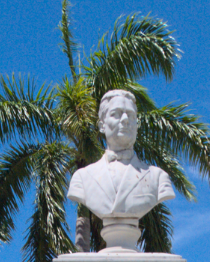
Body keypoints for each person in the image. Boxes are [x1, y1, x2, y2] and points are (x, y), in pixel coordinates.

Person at [66, 89, 175, 251]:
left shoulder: (157, 178)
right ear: (102, 125)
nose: (125, 120)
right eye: (116, 114)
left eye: (130, 115)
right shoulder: (82, 178)